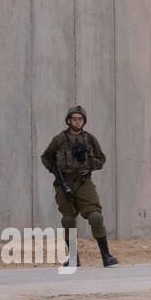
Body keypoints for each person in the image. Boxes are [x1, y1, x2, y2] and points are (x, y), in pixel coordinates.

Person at [40, 105, 117, 267]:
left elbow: (101, 159)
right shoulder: (59, 139)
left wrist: (88, 163)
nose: (77, 121)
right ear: (68, 120)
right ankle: (74, 257)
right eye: (74, 118)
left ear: (84, 121)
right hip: (64, 182)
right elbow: (46, 157)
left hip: (84, 182)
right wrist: (56, 173)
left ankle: (106, 256)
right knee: (68, 220)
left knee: (96, 217)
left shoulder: (89, 139)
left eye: (80, 119)